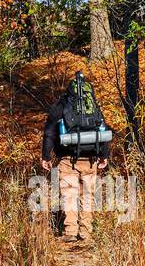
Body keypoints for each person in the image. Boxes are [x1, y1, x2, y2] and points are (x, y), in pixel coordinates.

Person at [40, 74, 110, 242]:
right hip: (91, 159)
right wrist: (104, 155)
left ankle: (70, 231)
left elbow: (49, 132)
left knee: (69, 194)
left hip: (67, 159)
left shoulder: (61, 105)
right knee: (88, 195)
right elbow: (103, 130)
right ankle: (86, 231)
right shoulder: (93, 107)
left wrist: (46, 156)